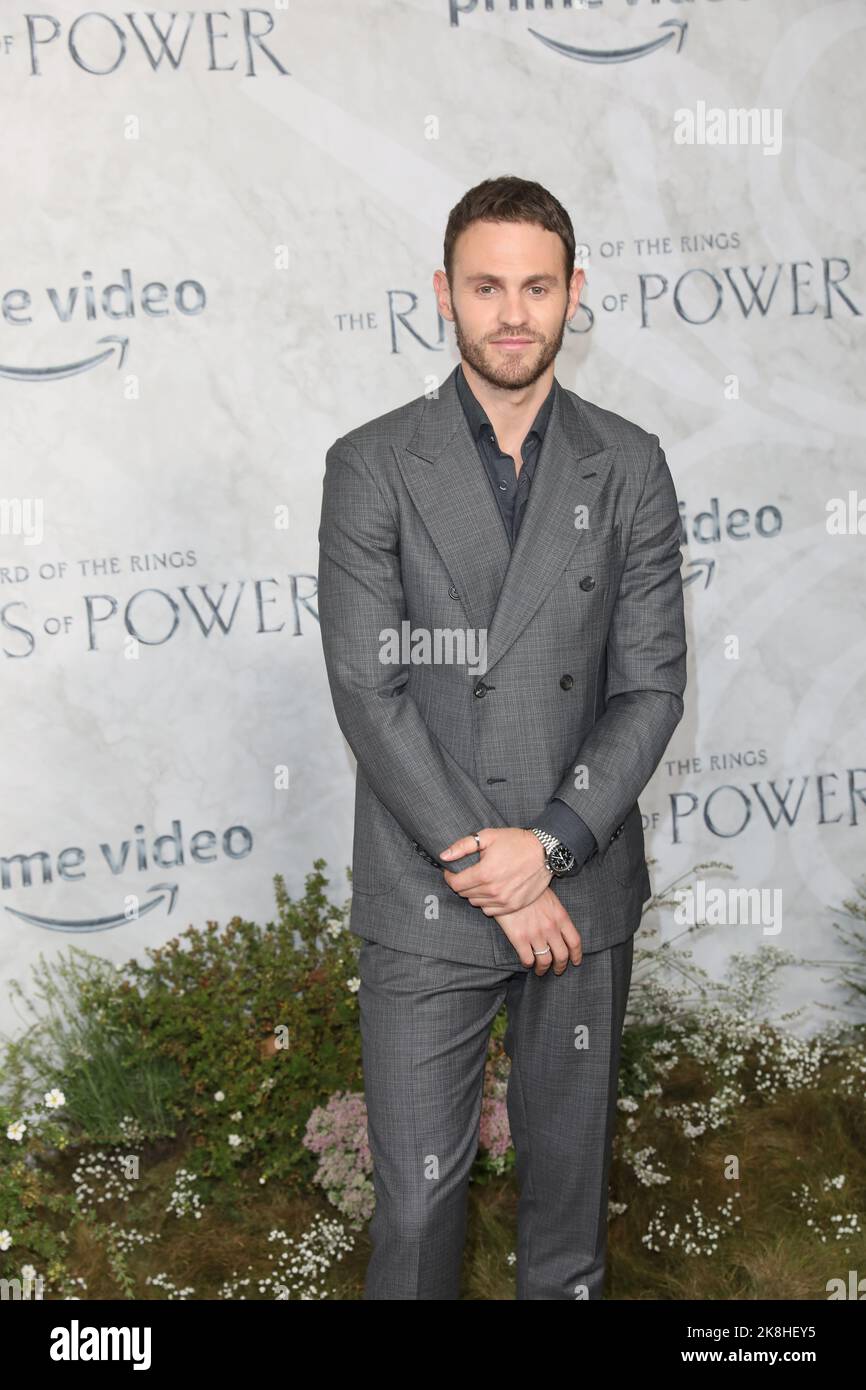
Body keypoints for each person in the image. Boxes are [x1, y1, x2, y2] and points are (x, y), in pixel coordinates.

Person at [317, 175, 687, 1300]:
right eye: (486, 286)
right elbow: (367, 690)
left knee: (568, 1202)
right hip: (429, 884)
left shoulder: (627, 464)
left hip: (578, 884)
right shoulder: (372, 463)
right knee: (421, 1200)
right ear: (443, 294)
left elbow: (650, 685)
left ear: (575, 294)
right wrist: (499, 870)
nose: (512, 312)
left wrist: (557, 849)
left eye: (536, 286)